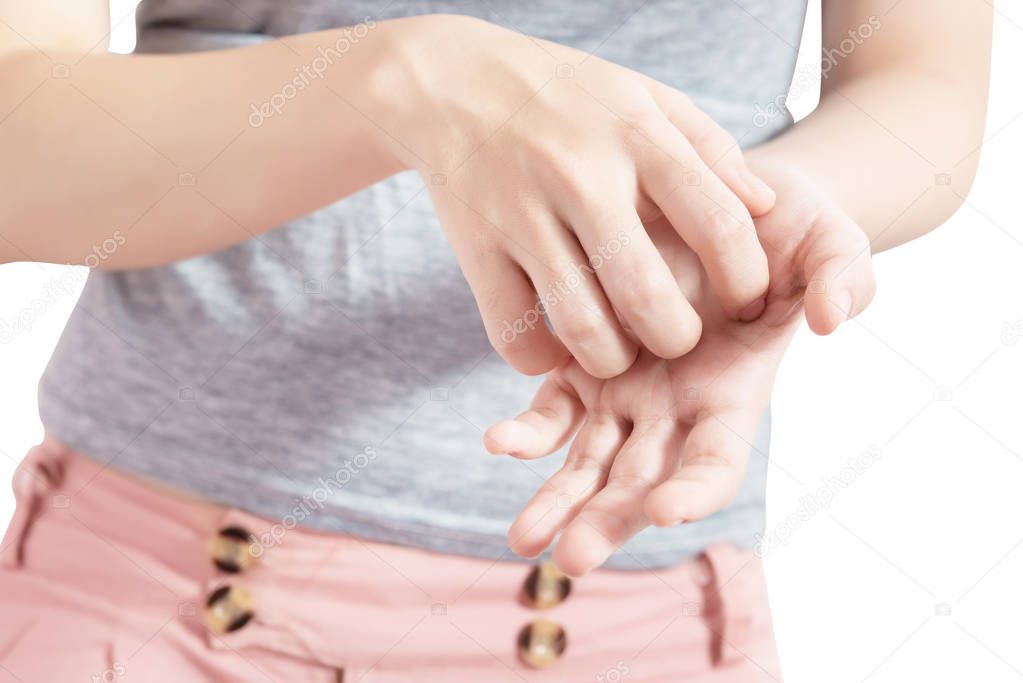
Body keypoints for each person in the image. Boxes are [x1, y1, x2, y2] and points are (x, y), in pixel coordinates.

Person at [0, 0, 991, 680]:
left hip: (640, 629)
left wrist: (756, 234)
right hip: (159, 615)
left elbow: (922, 88)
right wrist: (402, 79)